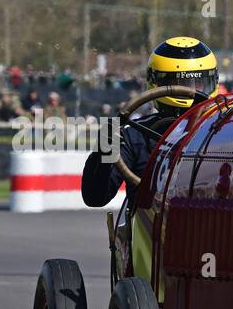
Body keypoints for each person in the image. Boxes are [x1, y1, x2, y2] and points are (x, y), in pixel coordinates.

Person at [82, 36, 218, 208]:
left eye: (197, 83)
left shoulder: (228, 129)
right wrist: (103, 152)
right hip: (149, 228)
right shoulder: (135, 135)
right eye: (178, 83)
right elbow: (95, 198)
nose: (188, 89)